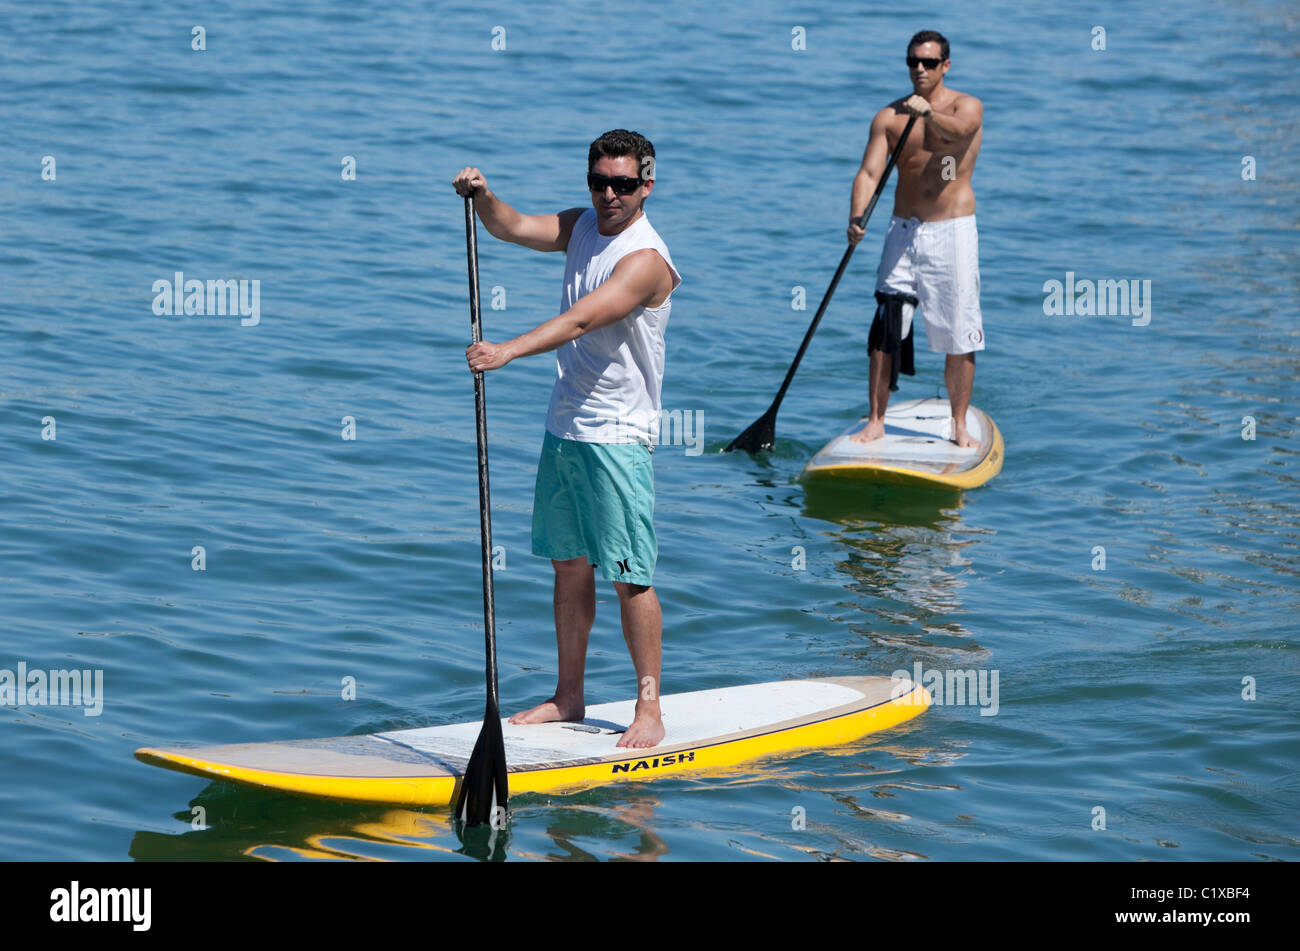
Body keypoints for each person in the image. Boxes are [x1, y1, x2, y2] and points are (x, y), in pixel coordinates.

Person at [451, 129, 680, 749]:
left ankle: (649, 708)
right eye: (600, 181)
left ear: (646, 187)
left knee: (629, 574)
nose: (610, 194)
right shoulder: (582, 226)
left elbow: (584, 317)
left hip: (618, 437)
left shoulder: (646, 262)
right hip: (566, 427)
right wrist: (483, 198)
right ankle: (569, 694)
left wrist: (505, 352)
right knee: (569, 566)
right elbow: (513, 226)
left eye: (624, 184)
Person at [847, 30, 985, 447]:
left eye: (928, 63)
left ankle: (959, 425)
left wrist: (927, 115)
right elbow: (870, 173)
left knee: (958, 332)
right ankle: (876, 419)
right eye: (912, 62)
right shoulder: (889, 117)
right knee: (886, 327)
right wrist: (856, 217)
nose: (919, 70)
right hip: (902, 231)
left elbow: (957, 136)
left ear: (945, 65)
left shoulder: (967, 106)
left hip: (952, 231)